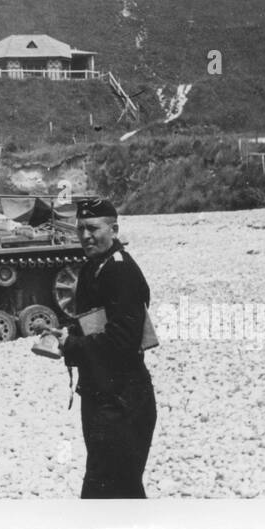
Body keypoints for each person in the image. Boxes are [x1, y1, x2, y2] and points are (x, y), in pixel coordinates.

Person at [61, 198, 157, 498]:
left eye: (93, 228)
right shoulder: (95, 267)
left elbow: (123, 340)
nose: (86, 236)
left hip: (121, 401)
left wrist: (73, 346)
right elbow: (94, 319)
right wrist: (68, 332)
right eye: (80, 230)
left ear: (114, 229)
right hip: (102, 394)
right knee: (119, 489)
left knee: (107, 489)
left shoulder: (120, 271)